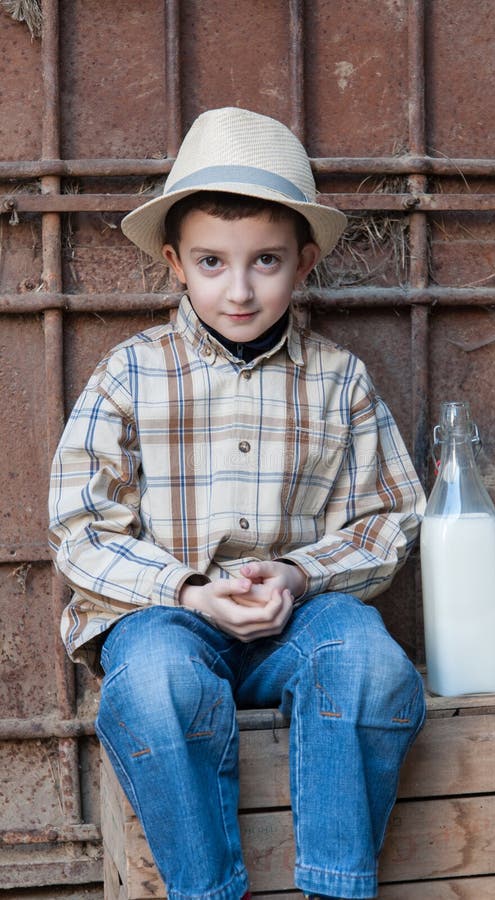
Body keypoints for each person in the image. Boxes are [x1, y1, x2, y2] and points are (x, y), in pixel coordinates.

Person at [48, 107, 426, 900]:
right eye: (213, 262)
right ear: (175, 263)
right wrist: (185, 590)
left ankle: (335, 884)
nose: (241, 288)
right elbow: (81, 528)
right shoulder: (131, 373)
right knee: (151, 681)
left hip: (301, 618)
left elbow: (389, 514)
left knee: (365, 659)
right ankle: (207, 891)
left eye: (267, 262)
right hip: (166, 617)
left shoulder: (338, 378)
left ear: (305, 261)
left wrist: (295, 574)